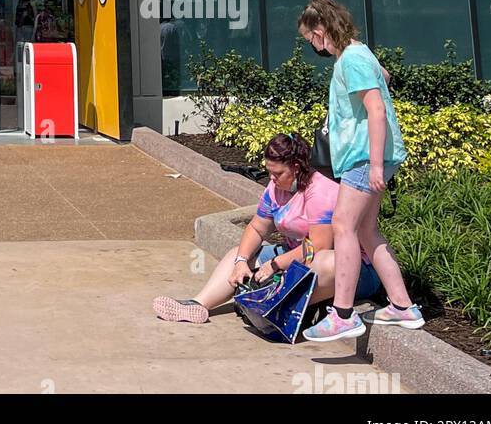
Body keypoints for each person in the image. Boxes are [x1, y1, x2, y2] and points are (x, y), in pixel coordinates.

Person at [297, 0, 423, 341]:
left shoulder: (350, 61)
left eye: (311, 39)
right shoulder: (359, 52)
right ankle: (402, 306)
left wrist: (376, 166)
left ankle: (342, 314)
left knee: (343, 226)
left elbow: (376, 110)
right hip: (369, 156)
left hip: (364, 157)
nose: (313, 46)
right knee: (366, 231)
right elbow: (384, 75)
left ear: (321, 30)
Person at [153, 132, 381, 324]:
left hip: (352, 271)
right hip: (298, 259)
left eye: (278, 173)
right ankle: (199, 304)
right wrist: (242, 261)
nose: (272, 178)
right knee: (238, 253)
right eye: (269, 172)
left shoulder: (320, 191)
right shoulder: (274, 189)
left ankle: (271, 307)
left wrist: (274, 264)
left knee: (328, 261)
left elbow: (318, 247)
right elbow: (257, 228)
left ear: (297, 167)